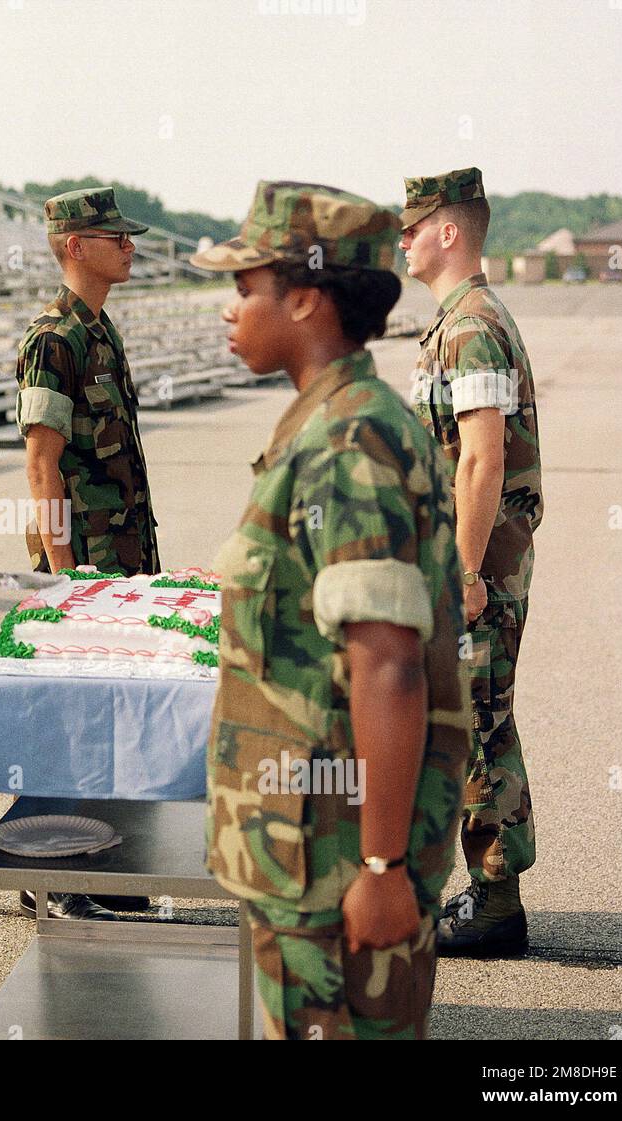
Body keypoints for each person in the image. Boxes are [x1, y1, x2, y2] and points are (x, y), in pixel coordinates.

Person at [196, 181, 473, 1039]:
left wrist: (383, 866)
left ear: (307, 298)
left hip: (334, 854)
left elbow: (387, 662)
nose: (229, 311)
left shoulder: (349, 440)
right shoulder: (332, 423)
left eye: (247, 290)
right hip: (305, 842)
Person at [399, 167, 543, 957]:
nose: (404, 240)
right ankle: (483, 891)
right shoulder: (458, 321)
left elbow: (482, 460)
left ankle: (495, 906)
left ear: (449, 232)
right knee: (469, 720)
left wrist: (461, 575)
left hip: (480, 573)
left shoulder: (472, 325)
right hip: (474, 567)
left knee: (477, 726)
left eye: (413, 226)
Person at [12, 185, 158, 922]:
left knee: (111, 723)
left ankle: (101, 873)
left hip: (123, 564)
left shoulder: (101, 330)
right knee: (76, 724)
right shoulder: (55, 339)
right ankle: (57, 880)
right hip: (86, 571)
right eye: (115, 238)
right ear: (76, 246)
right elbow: (42, 465)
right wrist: (67, 582)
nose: (129, 246)